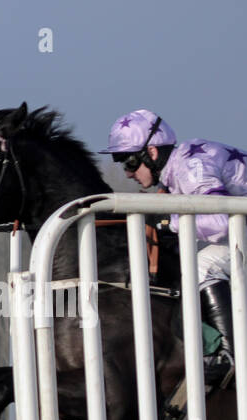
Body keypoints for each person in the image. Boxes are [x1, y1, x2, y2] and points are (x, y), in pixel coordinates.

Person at [101, 109, 247, 388]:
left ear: (152, 153)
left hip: (238, 225)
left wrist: (169, 222)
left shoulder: (191, 166)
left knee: (202, 264)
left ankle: (232, 354)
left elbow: (218, 223)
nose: (128, 173)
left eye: (129, 162)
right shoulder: (177, 170)